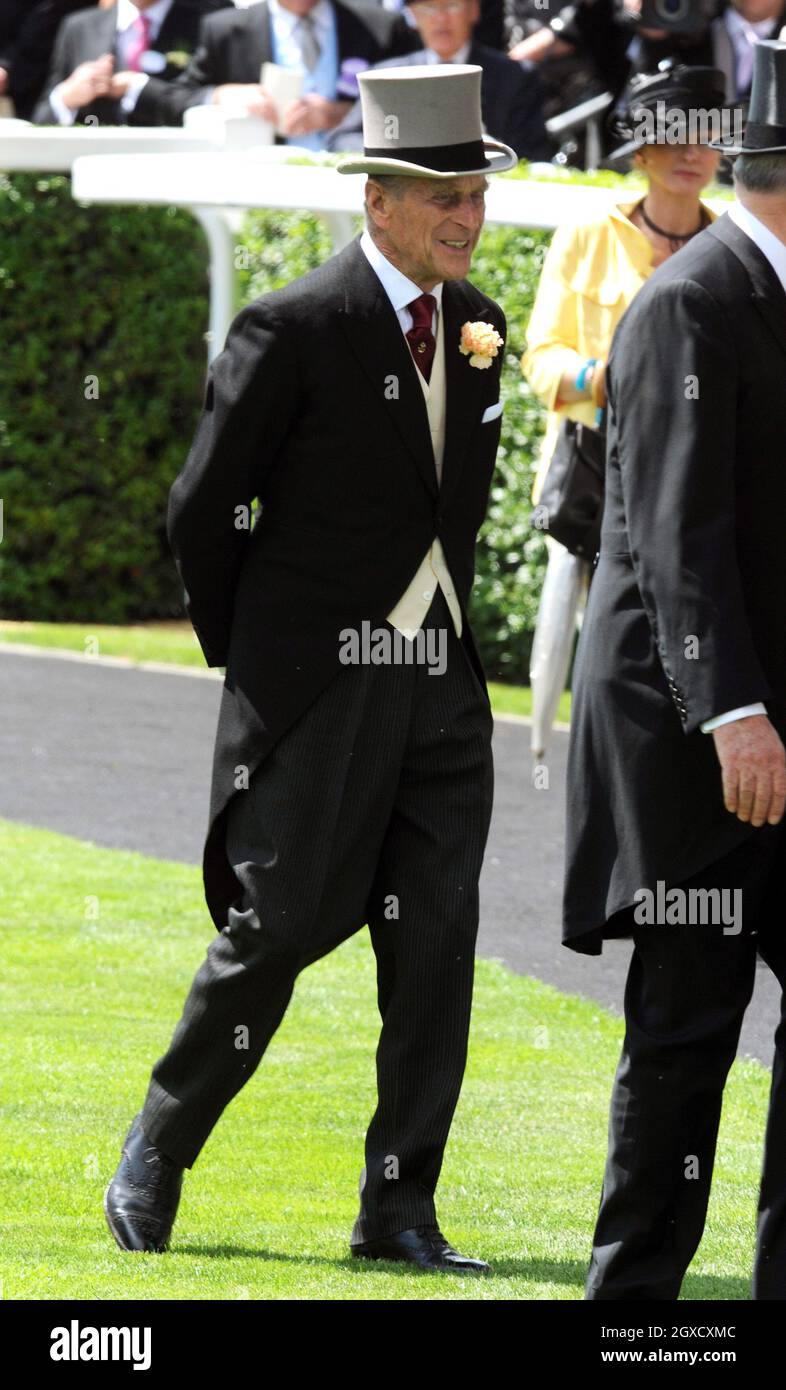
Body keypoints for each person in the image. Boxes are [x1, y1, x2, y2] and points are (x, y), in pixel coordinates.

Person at [104, 62, 514, 1273]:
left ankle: (398, 1209)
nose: (466, 215)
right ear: (376, 200)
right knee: (272, 930)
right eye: (442, 192)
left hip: (441, 679)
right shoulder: (291, 325)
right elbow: (201, 512)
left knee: (437, 948)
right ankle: (158, 1152)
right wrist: (262, 665)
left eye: (475, 193)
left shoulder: (477, 328)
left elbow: (452, 510)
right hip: (322, 684)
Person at [563, 37, 786, 1298]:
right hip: (702, 751)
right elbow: (673, 540)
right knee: (687, 1032)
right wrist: (740, 716)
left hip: (764, 732)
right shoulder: (689, 302)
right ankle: (635, 1310)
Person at [520, 64, 724, 758]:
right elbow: (539, 357)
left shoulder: (731, 244)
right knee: (582, 653)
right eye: (675, 138)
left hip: (698, 481)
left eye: (706, 137)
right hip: (594, 480)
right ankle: (567, 761)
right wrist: (608, 378)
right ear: (641, 153)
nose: (693, 152)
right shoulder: (586, 235)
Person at [123, 0, 417, 136]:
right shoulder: (226, 29)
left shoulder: (380, 27)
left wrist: (341, 114)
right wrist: (220, 95)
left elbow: (412, 109)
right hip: (257, 189)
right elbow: (174, 100)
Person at [325, 0, 552, 162]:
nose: (441, 18)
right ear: (412, 16)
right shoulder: (387, 74)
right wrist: (396, 153)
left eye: (452, 5)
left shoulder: (515, 76)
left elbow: (533, 155)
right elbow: (342, 140)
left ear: (474, 10)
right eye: (429, 7)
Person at [32, 0, 231, 126]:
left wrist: (138, 87)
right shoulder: (79, 27)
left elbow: (220, 100)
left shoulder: (212, 22)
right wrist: (67, 97)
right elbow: (41, 117)